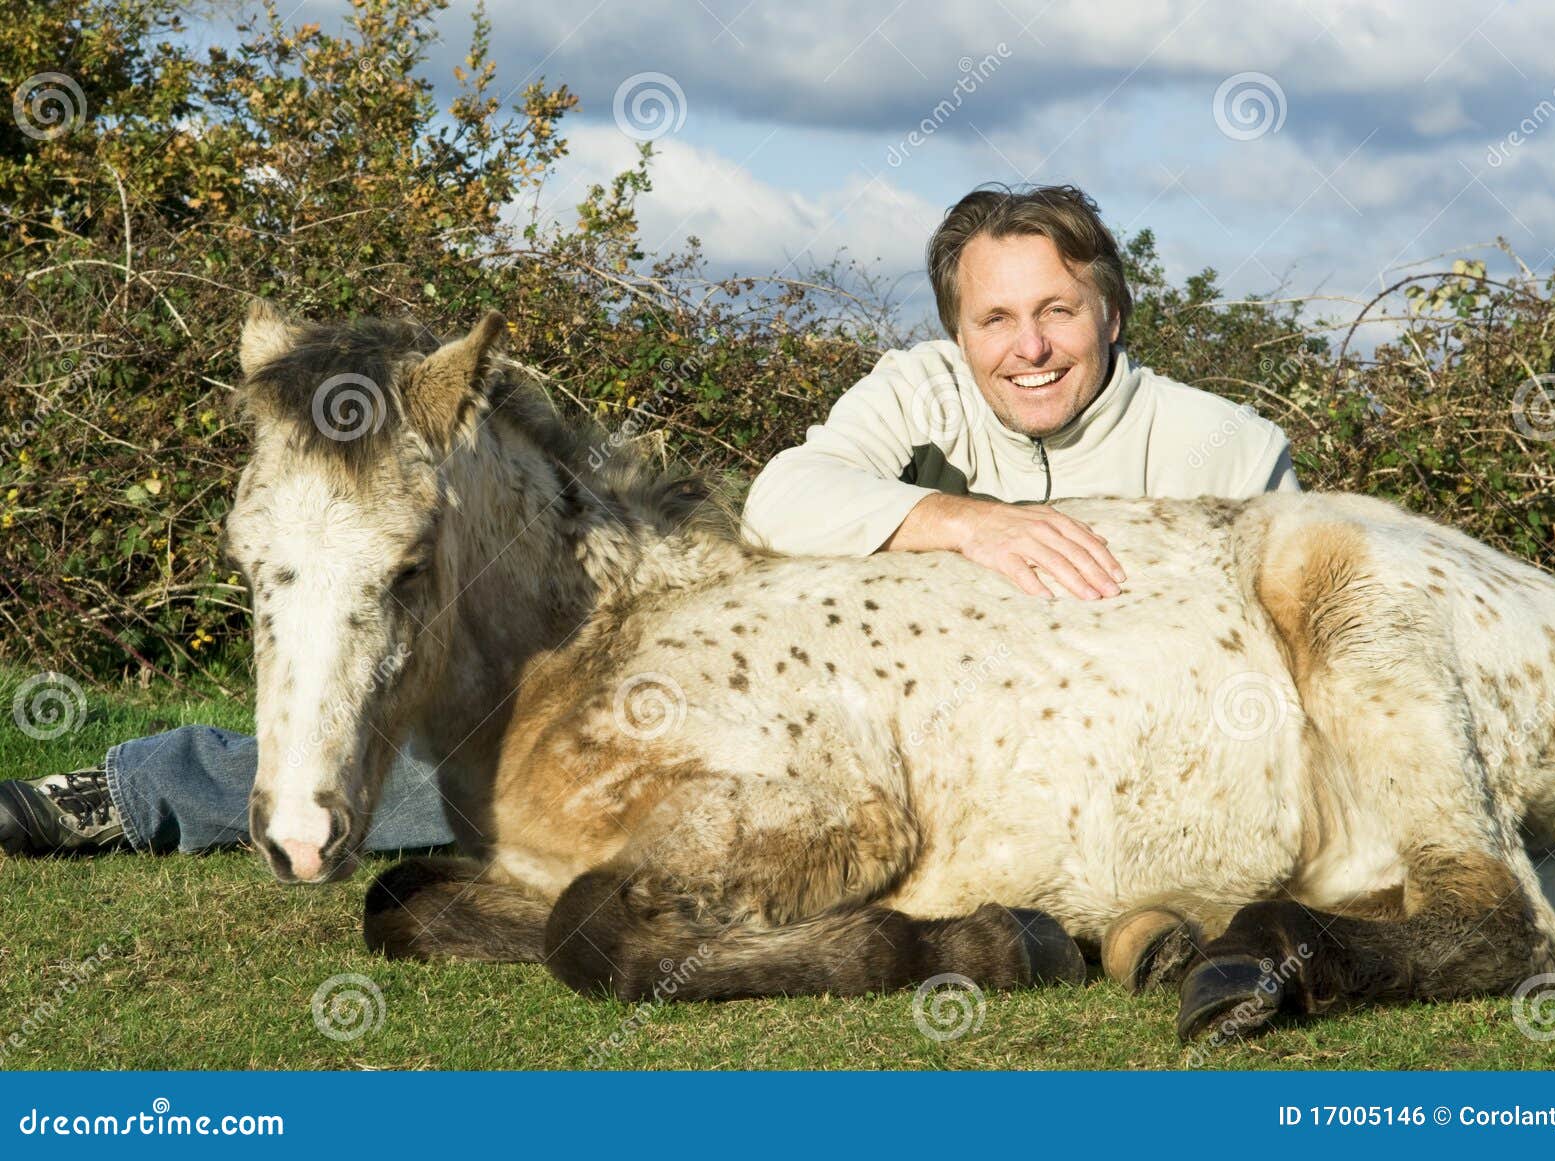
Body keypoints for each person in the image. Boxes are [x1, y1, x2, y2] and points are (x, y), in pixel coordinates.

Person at [0, 183, 1296, 859]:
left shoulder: (1230, 449)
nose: (1029, 346)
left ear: (1112, 311)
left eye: (1058, 311)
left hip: (1054, 732)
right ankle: (133, 790)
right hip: (855, 689)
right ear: (957, 328)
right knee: (495, 766)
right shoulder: (919, 393)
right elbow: (789, 496)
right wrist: (964, 521)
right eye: (994, 318)